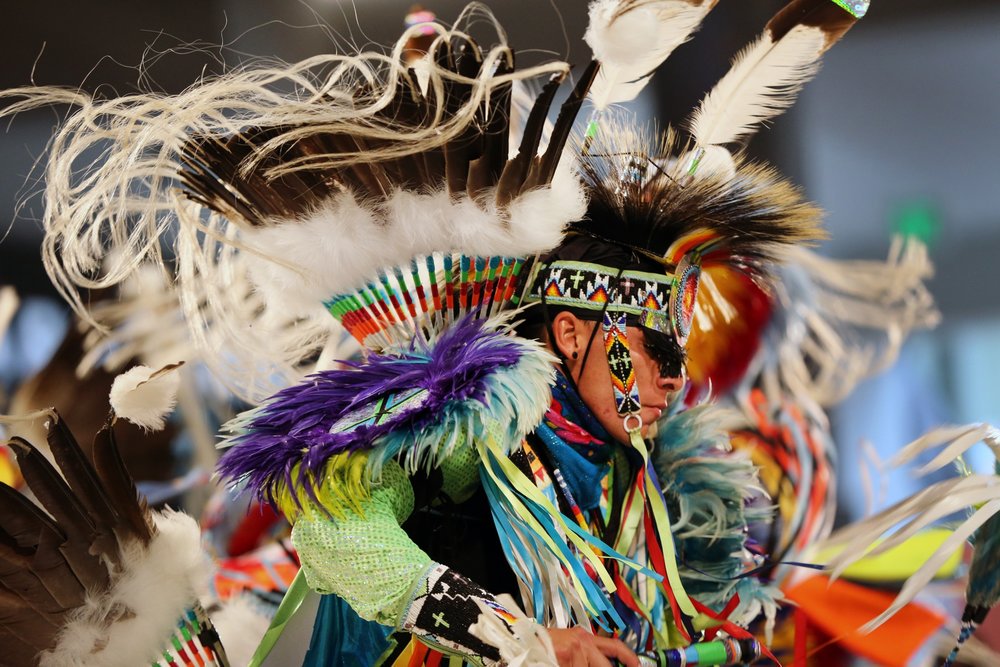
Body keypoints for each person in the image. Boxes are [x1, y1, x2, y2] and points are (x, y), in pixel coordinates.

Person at [0, 1, 870, 665]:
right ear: (572, 334)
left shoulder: (640, 487)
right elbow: (339, 533)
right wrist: (522, 637)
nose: (676, 376)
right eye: (658, 348)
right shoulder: (463, 423)